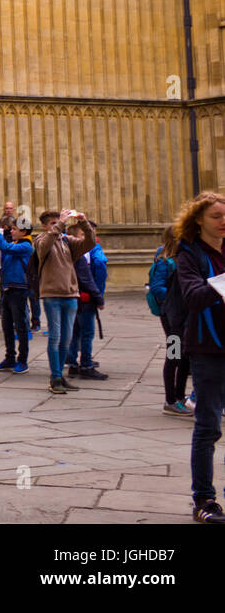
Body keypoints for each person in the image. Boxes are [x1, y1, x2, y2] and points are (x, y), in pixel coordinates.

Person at [169, 191, 225, 522]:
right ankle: (204, 501)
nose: (223, 221)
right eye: (216, 216)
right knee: (208, 426)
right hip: (208, 348)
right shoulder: (188, 254)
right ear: (199, 219)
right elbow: (193, 297)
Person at [34, 209, 95, 394]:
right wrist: (60, 223)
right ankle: (55, 377)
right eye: (53, 223)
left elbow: (90, 243)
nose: (58, 226)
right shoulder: (41, 240)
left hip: (70, 295)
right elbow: (45, 245)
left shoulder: (67, 241)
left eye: (59, 223)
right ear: (45, 226)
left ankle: (60, 374)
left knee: (66, 339)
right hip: (52, 295)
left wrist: (84, 222)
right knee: (55, 337)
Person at [149, 225, 191, 415]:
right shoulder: (164, 260)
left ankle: (180, 396)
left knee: (185, 356)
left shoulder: (183, 257)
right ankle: (170, 400)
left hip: (184, 315)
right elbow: (157, 287)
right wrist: (178, 296)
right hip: (172, 317)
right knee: (174, 354)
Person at [65, 221, 109, 380]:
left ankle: (73, 364)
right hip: (85, 299)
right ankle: (86, 365)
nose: (89, 237)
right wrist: (98, 297)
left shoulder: (68, 252)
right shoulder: (82, 255)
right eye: (83, 234)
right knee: (86, 333)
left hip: (74, 298)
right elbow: (88, 278)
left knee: (75, 331)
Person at [0, 217, 33, 373]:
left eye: (14, 229)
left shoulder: (26, 246)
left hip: (19, 289)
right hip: (8, 288)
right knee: (6, 325)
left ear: (23, 231)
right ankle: (10, 358)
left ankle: (22, 361)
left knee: (20, 326)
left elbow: (5, 247)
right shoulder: (15, 243)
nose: (11, 231)